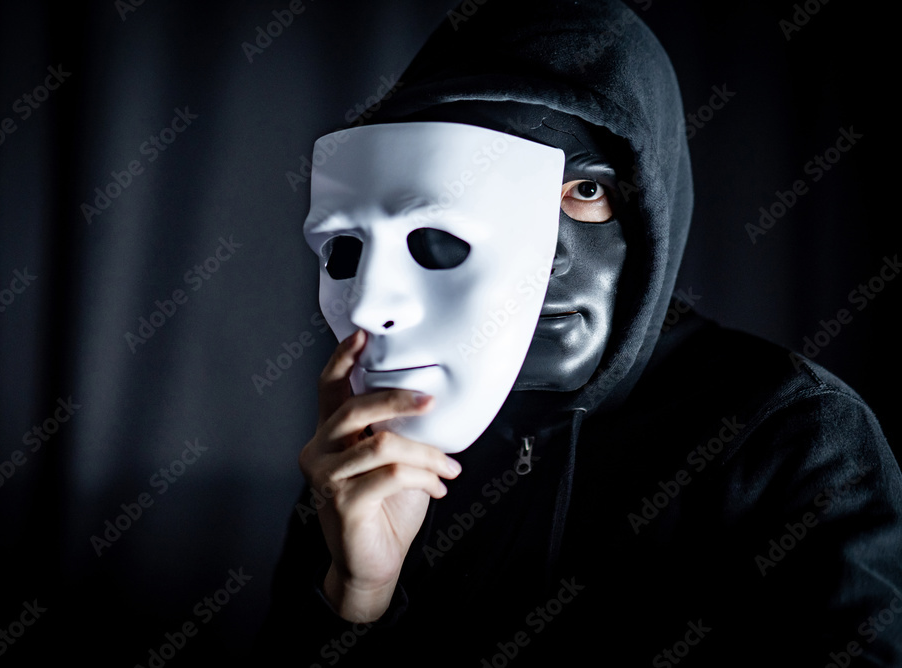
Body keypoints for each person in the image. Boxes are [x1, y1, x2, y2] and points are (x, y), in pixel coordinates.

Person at [254, 1, 902, 665]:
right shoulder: (381, 442)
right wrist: (358, 594)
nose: (545, 259)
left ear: (650, 211)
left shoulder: (790, 433)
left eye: (584, 191)